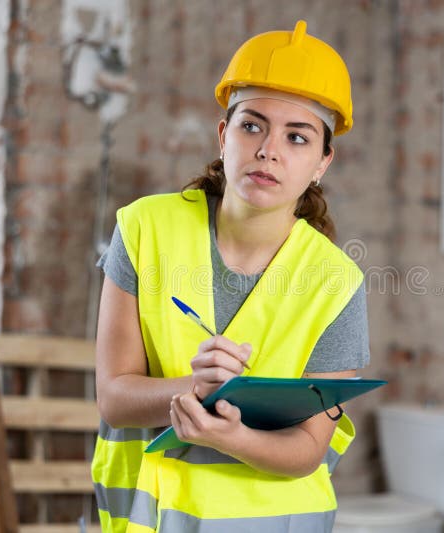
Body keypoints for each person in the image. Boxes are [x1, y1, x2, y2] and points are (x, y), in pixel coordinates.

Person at [91, 20, 370, 533]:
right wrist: (194, 388)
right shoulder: (144, 228)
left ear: (322, 162)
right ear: (224, 135)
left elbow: (309, 448)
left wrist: (232, 437)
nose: (268, 150)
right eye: (252, 126)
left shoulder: (338, 282)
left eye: (297, 137)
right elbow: (114, 398)